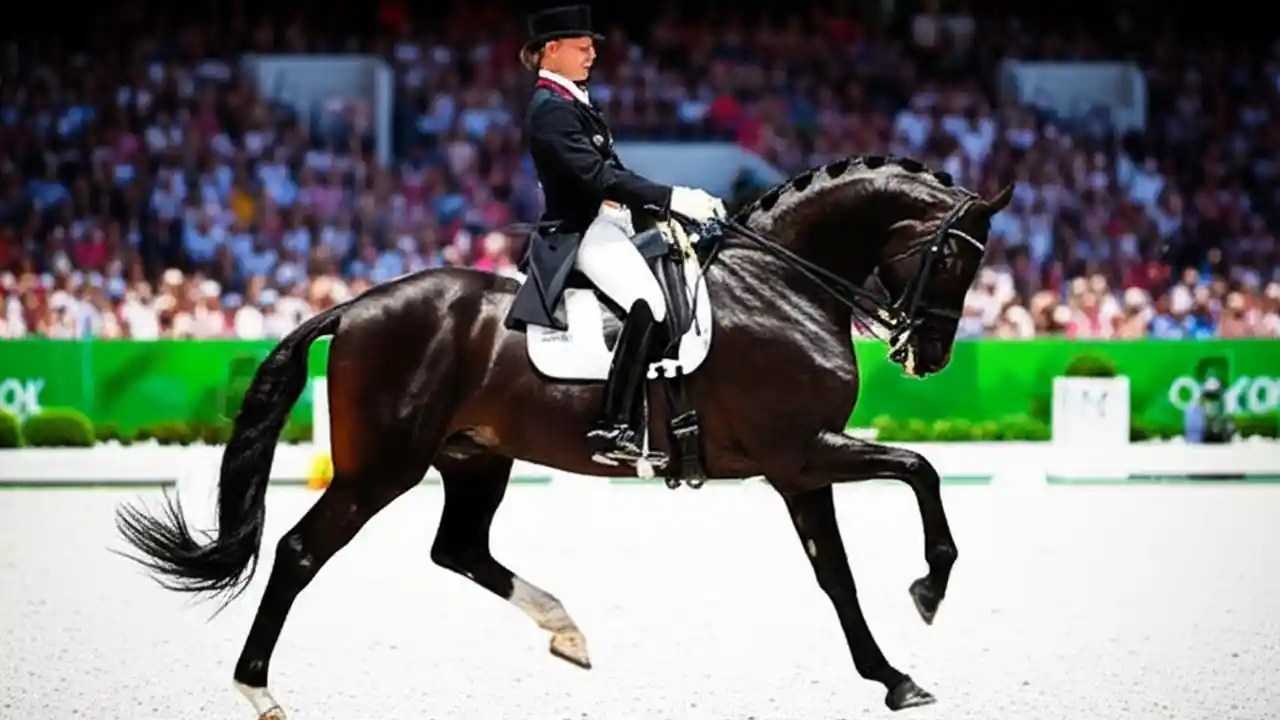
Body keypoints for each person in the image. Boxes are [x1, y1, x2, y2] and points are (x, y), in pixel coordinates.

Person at [506, 4, 727, 465]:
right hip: (578, 230)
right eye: (582, 48)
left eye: (591, 49)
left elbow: (615, 173)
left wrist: (659, 212)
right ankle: (614, 425)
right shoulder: (549, 110)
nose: (591, 56)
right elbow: (597, 177)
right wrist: (672, 197)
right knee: (650, 303)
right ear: (552, 50)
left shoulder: (574, 102)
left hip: (607, 221)